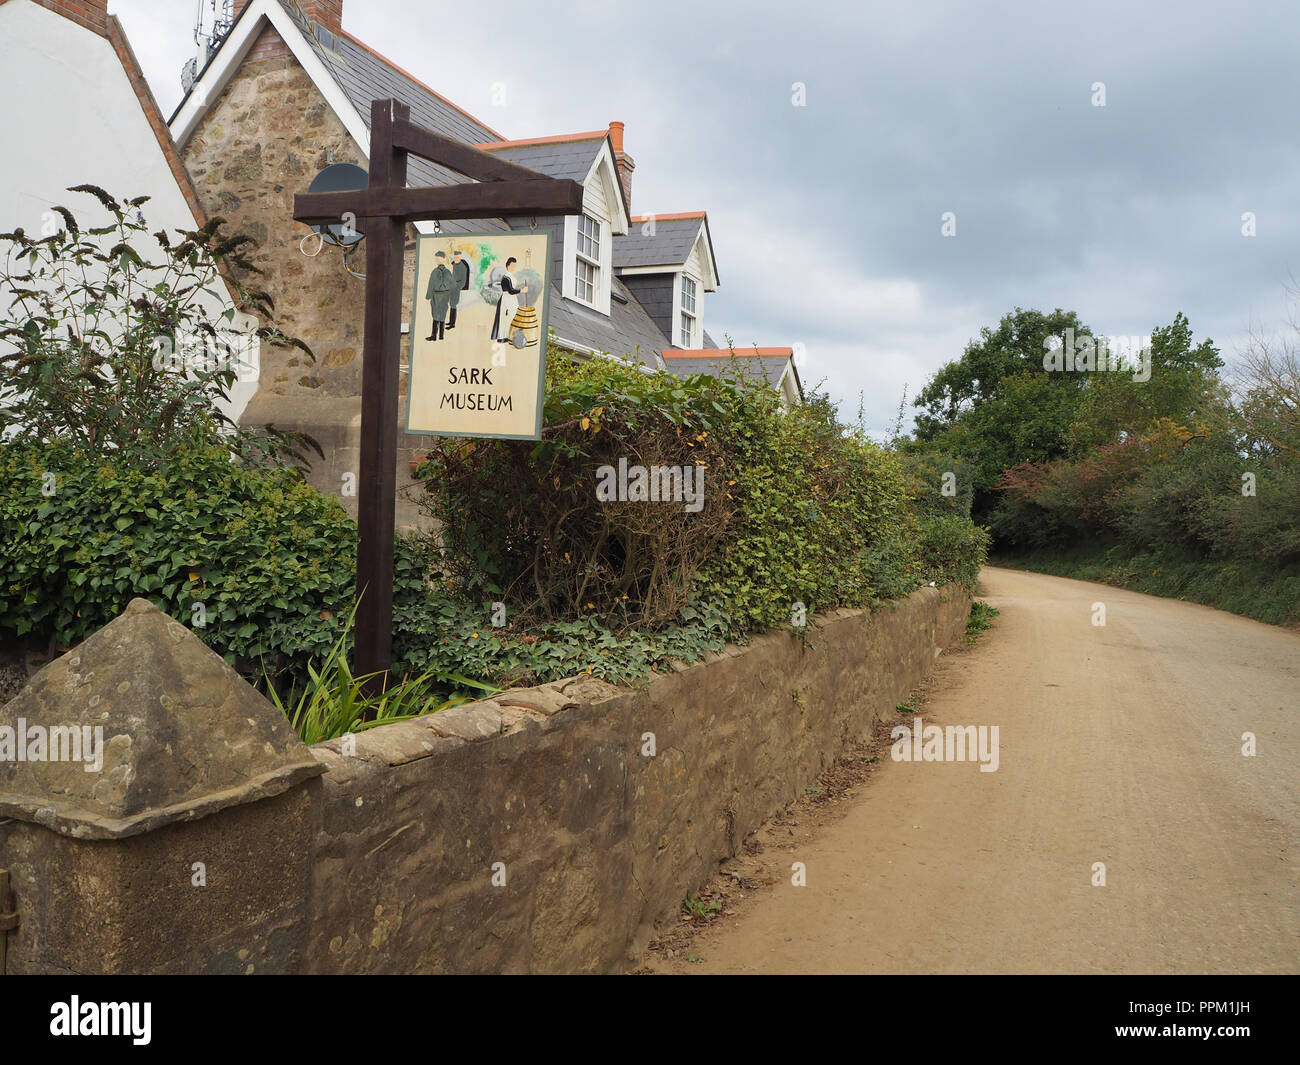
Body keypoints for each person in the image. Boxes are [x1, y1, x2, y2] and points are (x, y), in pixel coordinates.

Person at [490, 256, 528, 346]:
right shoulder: (506, 278)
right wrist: (521, 290)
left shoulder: (511, 276)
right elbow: (510, 290)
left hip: (512, 300)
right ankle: (504, 336)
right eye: (512, 266)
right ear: (507, 266)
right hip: (506, 300)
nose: (513, 267)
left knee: (513, 317)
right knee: (506, 318)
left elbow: (513, 289)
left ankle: (512, 335)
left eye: (514, 266)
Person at [425, 251, 454, 341]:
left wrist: (428, 296)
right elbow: (453, 285)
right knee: (441, 315)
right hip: (444, 296)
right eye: (436, 258)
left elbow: (431, 285)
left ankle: (435, 336)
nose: (437, 260)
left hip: (438, 296)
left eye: (438, 258)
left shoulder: (437, 272)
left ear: (443, 259)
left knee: (436, 315)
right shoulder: (445, 272)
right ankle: (440, 336)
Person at [449, 250, 471, 329]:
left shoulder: (463, 267)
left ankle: (452, 324)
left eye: (457, 257)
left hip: (457, 286)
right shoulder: (454, 264)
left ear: (460, 257)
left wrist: (458, 287)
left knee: (454, 304)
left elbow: (463, 280)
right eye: (455, 257)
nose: (456, 258)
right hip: (452, 286)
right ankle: (450, 321)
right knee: (451, 304)